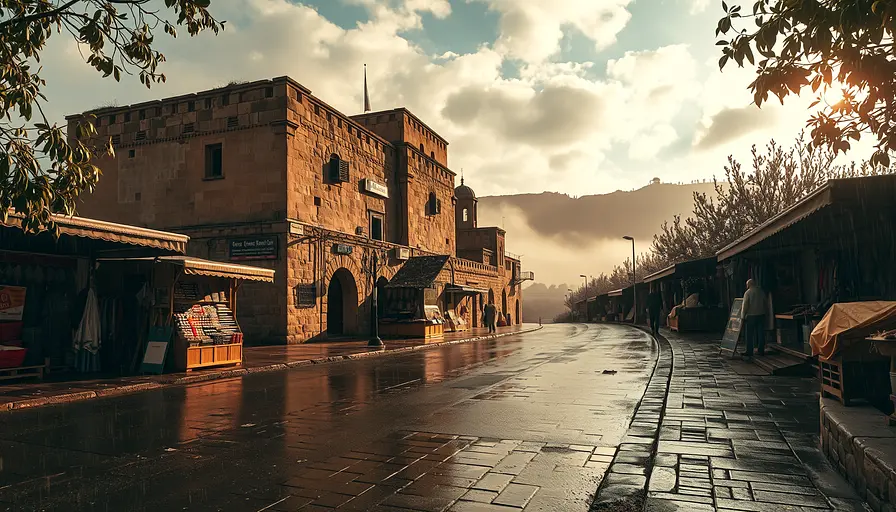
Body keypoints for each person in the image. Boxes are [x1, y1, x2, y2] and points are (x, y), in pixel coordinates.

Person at [741, 278, 767, 360]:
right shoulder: (761, 291)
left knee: (749, 334)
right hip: (761, 314)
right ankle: (761, 350)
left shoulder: (748, 293)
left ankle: (749, 350)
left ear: (748, 285)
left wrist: (742, 316)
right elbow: (765, 302)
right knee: (761, 333)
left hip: (751, 315)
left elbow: (745, 305)